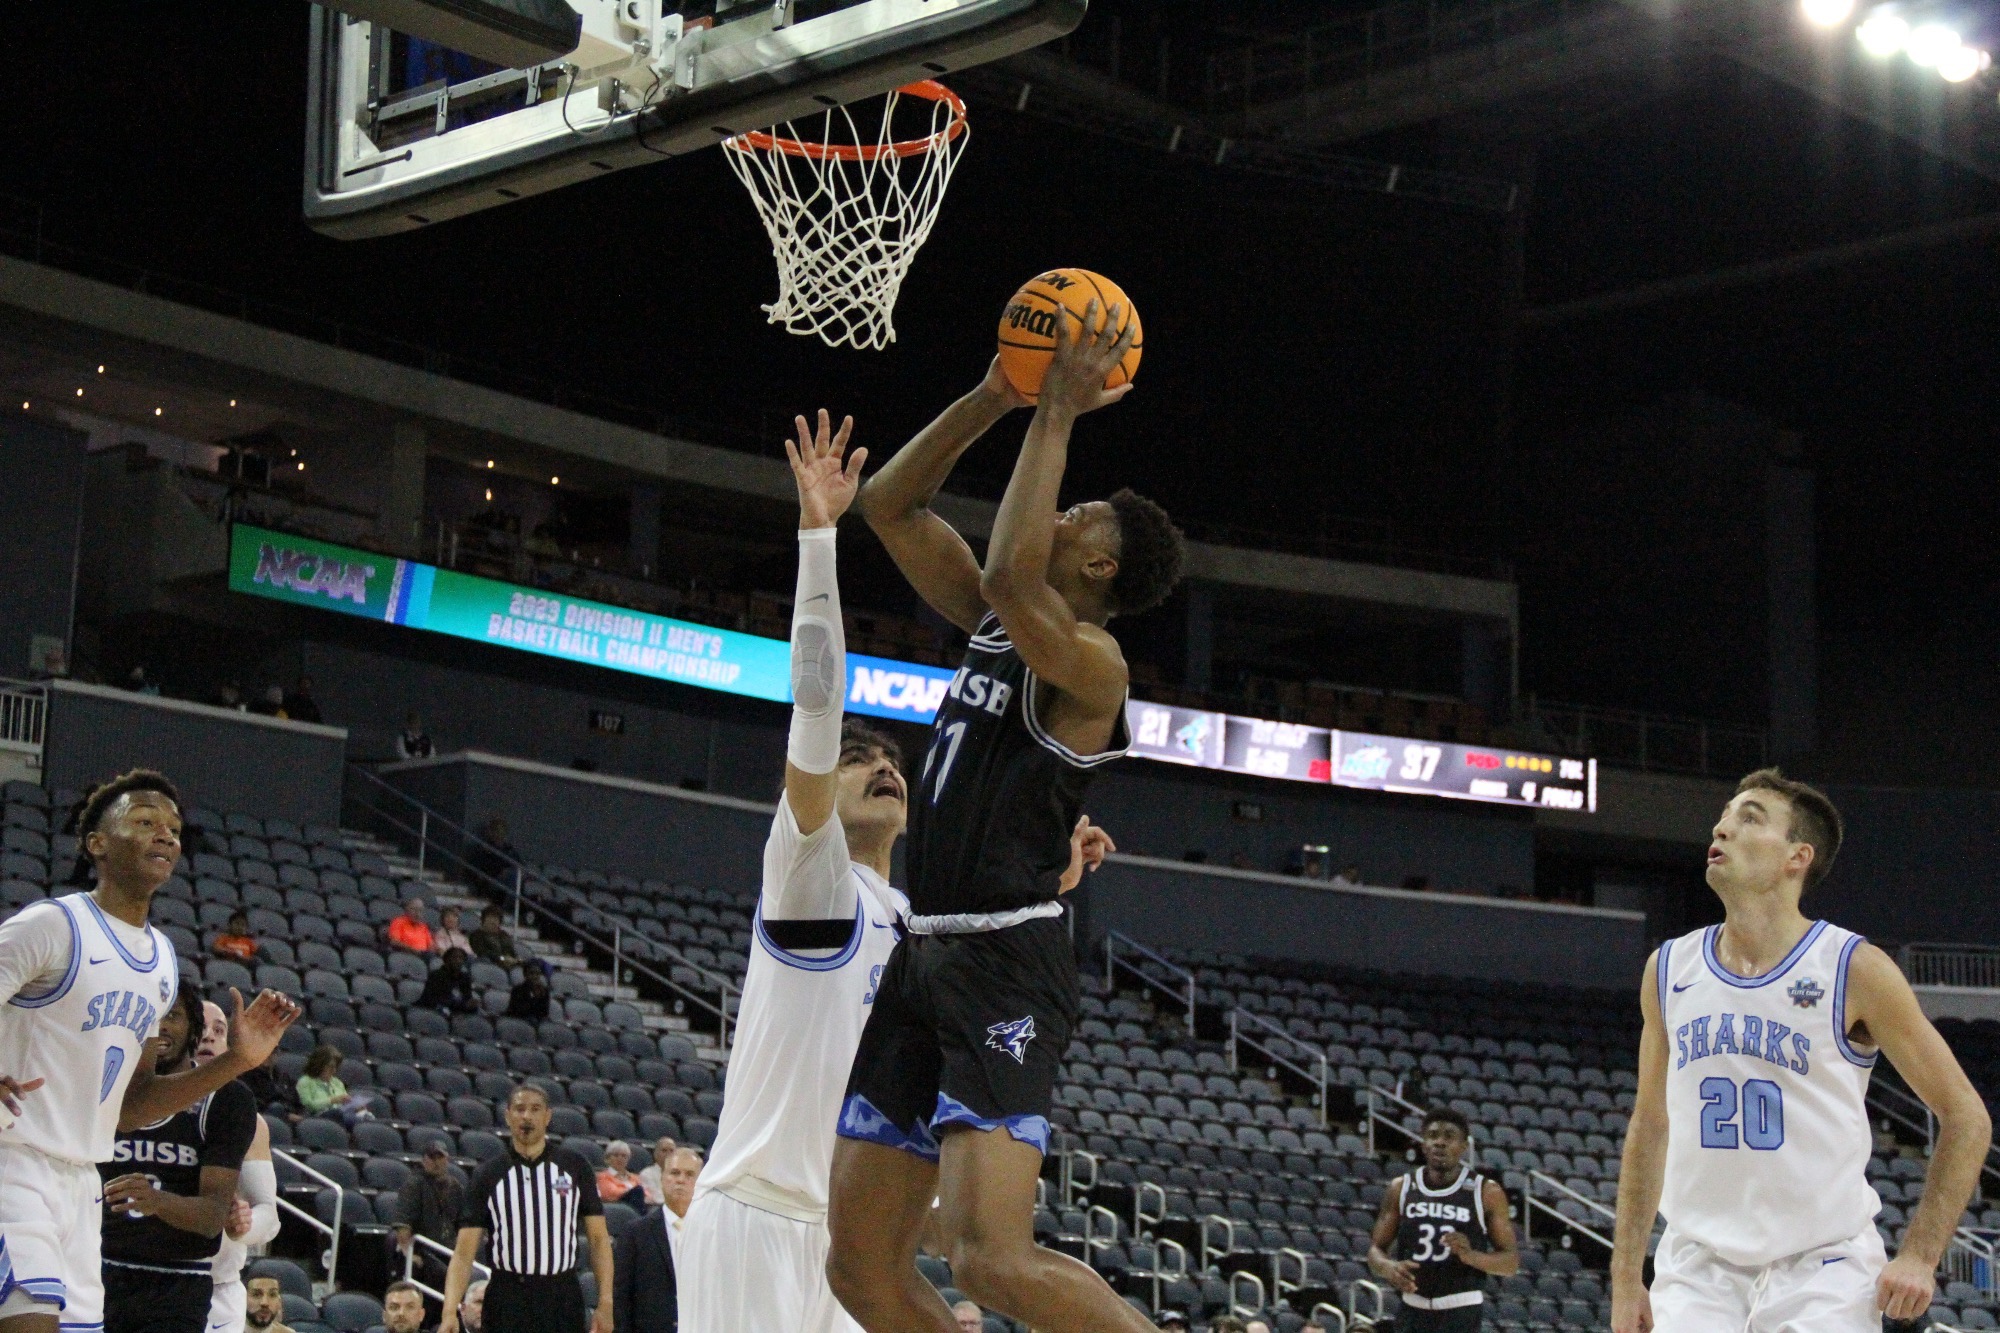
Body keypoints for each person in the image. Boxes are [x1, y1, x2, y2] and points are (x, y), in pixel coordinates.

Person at [679, 411, 1117, 1333]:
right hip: (758, 1218)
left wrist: (1053, 875)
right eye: (855, 760)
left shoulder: (924, 925)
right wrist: (816, 538)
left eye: (890, 758)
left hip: (856, 1248)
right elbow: (815, 701)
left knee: (927, 1263)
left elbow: (983, 911)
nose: (882, 764)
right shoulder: (811, 879)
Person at [826, 311, 1182, 1333]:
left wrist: (1059, 413)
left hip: (1004, 961)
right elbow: (889, 504)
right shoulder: (996, 620)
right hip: (921, 951)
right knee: (860, 1267)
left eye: (1079, 520)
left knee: (989, 1261)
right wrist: (996, 394)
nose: (1061, 516)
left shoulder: (1092, 665)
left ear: (1100, 568)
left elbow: (1005, 575)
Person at [1611, 769, 1990, 1333]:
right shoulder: (1668, 968)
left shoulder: (1852, 967)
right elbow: (1649, 1125)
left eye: (1750, 817)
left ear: (1798, 857)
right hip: (1698, 1265)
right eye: (1726, 814)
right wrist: (1625, 1279)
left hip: (1824, 1265)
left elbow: (1966, 1117)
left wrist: (1920, 1255)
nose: (1722, 826)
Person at [0, 769, 299, 1333]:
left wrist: (236, 1061)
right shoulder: (51, 926)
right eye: (144, 822)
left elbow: (132, 1107)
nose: (165, 835)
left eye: (173, 828)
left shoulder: (160, 962)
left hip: (81, 1179)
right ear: (98, 845)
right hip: (13, 1161)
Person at [99, 987, 260, 1333]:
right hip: (95, 1265)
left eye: (172, 1016)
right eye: (151, 1016)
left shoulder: (227, 1101)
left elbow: (212, 1217)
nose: (159, 1027)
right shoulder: (103, 1083)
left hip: (178, 1280)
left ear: (193, 1027)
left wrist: (158, 1201)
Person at [439, 1085, 614, 1333]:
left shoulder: (575, 1167)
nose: (527, 1116)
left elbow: (598, 1240)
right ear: (508, 1116)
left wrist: (605, 1303)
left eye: (535, 1109)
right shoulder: (488, 1174)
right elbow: (464, 1252)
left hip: (561, 1295)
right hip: (507, 1296)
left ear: (548, 1116)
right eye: (520, 1109)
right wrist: (448, 1311)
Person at [1366, 1106, 1517, 1330]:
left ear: (1464, 1146)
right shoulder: (1401, 1188)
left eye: (1449, 1136)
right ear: (1423, 1144)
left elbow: (1510, 1262)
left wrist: (1470, 1256)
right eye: (1433, 1135)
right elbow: (1375, 1251)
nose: (1440, 1142)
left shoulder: (1486, 1192)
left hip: (1460, 1311)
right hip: (1412, 1308)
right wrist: (1388, 1267)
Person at [195, 1002, 282, 1333]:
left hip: (218, 1288)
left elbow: (269, 1218)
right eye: (200, 1028)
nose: (208, 1037)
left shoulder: (249, 1122)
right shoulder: (142, 1104)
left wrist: (243, 1226)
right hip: (145, 1274)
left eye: (219, 1030)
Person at [614, 1148, 701, 1333]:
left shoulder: (713, 1235)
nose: (680, 1180)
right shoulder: (635, 1233)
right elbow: (621, 1299)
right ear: (662, 1178)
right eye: (674, 1172)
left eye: (689, 1174)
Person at [394, 1142, 467, 1289]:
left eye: (440, 1157)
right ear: (424, 1160)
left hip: (449, 1250)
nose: (436, 1162)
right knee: (444, 1275)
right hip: (425, 1250)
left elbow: (463, 1223)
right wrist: (408, 1252)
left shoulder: (455, 1187)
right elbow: (403, 1223)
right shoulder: (414, 1185)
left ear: (447, 1159)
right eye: (432, 1157)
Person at [417, 949, 478, 1015]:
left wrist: (471, 1004)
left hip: (458, 1011)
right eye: (455, 957)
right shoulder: (436, 975)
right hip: (435, 1011)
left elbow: (467, 997)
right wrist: (462, 1005)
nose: (458, 961)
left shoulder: (465, 978)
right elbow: (434, 1000)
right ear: (446, 960)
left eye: (461, 958)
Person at [635, 1137, 677, 1207]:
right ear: (655, 1154)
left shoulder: (681, 1175)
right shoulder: (647, 1174)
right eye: (664, 1150)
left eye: (671, 1151)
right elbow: (657, 1198)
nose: (668, 1154)